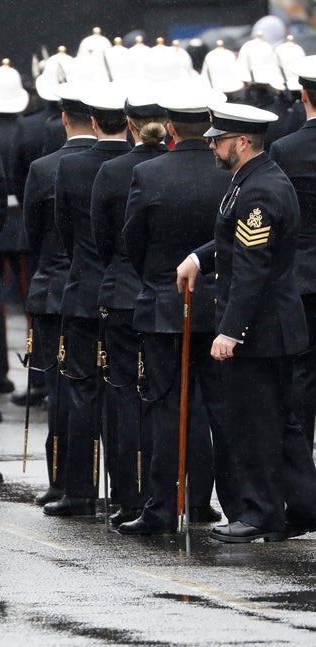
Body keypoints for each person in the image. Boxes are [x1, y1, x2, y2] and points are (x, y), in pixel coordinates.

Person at [176, 102, 316, 542]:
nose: (212, 145)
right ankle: (303, 507)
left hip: (260, 329)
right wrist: (200, 256)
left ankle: (260, 513)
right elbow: (234, 242)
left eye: (218, 139)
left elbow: (253, 268)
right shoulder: (254, 179)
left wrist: (230, 331)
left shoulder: (258, 190)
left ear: (240, 142)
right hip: (271, 325)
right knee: (281, 423)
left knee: (256, 423)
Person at [118, 90, 228, 535]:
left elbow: (133, 240)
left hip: (166, 303)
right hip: (220, 303)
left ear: (170, 125)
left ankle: (163, 508)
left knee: (168, 410)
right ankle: (210, 504)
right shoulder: (229, 176)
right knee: (219, 410)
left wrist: (160, 278)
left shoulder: (147, 172)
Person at [47, 84, 131, 517]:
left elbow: (64, 229)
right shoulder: (145, 164)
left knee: (81, 393)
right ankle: (126, 493)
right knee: (124, 394)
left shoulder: (72, 167)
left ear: (94, 122)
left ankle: (78, 490)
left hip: (83, 286)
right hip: (127, 290)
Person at [90, 92, 169, 524]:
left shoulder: (113, 170)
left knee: (123, 399)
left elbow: (103, 238)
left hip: (123, 292)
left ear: (129, 123)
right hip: (173, 295)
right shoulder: (185, 166)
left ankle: (131, 495)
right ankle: (185, 496)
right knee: (174, 400)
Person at [22, 89, 96, 505]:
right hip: (95, 286)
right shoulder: (119, 166)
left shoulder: (43, 168)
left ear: (65, 119)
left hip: (54, 287)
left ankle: (65, 481)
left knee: (61, 391)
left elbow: (34, 235)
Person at [269, 55, 316, 449]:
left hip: (301, 277)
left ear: (303, 95)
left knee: (301, 374)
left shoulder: (285, 149)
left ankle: (302, 477)